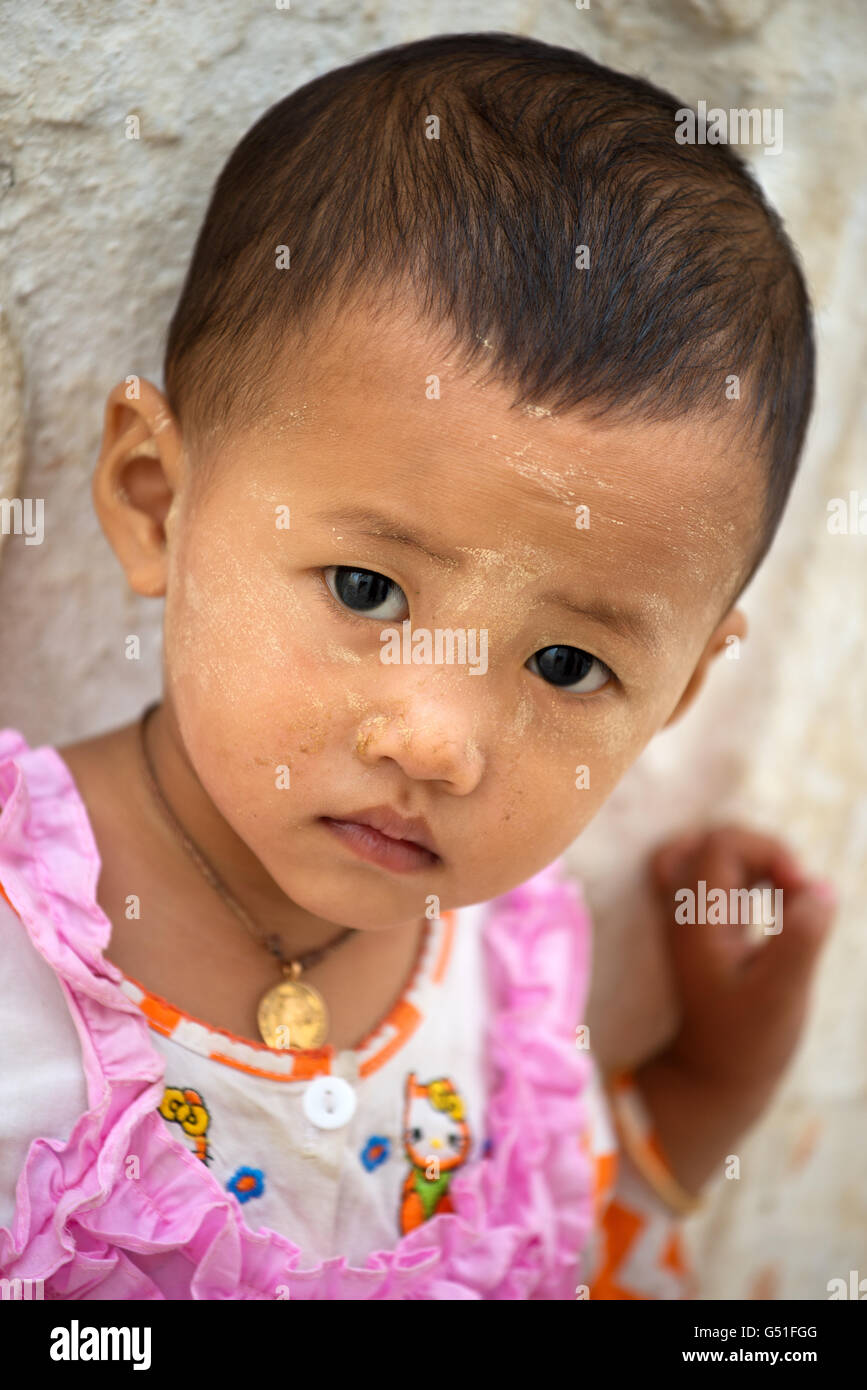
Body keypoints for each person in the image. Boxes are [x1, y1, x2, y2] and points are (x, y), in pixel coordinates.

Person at [0, 31, 835, 1300]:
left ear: (682, 692)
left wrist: (707, 1088)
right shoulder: (22, 960)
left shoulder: (511, 982)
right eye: (364, 588)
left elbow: (571, 1243)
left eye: (566, 661)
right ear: (156, 500)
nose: (435, 739)